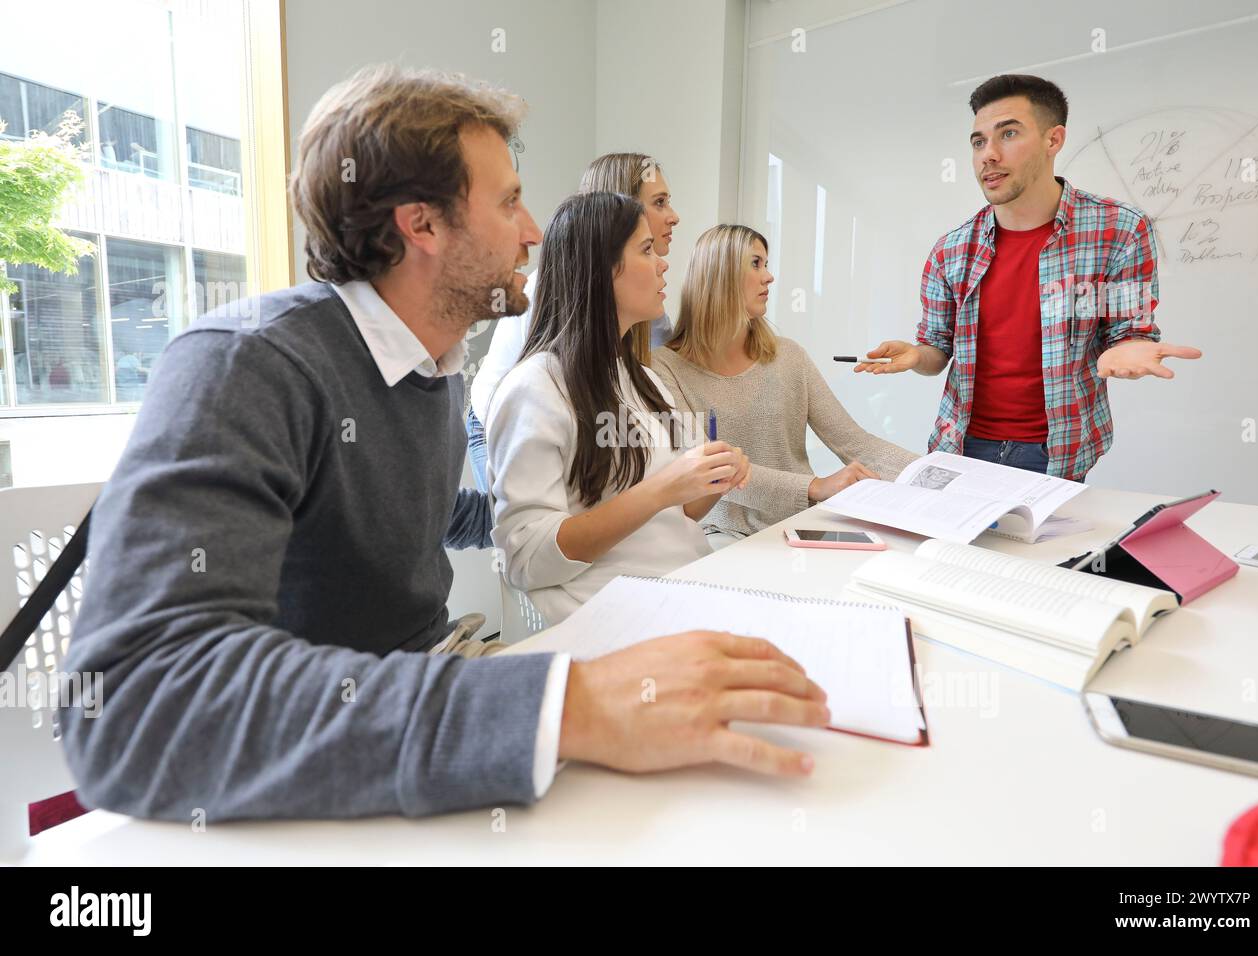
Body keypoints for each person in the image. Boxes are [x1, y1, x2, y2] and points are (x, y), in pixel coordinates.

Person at [58, 66, 829, 824]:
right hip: (315, 780)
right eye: (511, 203)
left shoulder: (436, 367)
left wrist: (549, 510)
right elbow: (132, 704)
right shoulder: (246, 365)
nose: (534, 232)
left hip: (430, 687)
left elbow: (413, 514)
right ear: (422, 224)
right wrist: (568, 706)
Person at [857, 73, 1201, 479]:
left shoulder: (1120, 230)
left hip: (1057, 453)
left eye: (1008, 134)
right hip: (958, 447)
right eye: (979, 141)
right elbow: (937, 350)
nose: (989, 154)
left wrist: (1126, 347)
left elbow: (1128, 332)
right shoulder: (951, 250)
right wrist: (918, 356)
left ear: (1053, 140)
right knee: (942, 546)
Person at [487, 191, 751, 625]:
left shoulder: (644, 380)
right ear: (601, 270)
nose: (664, 263)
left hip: (688, 592)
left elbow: (684, 513)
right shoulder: (534, 389)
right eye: (646, 250)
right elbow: (527, 559)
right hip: (615, 619)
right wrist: (662, 489)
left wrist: (713, 479)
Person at [652, 225, 917, 547]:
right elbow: (711, 470)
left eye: (766, 264)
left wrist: (931, 472)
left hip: (802, 525)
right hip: (721, 535)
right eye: (755, 264)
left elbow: (855, 443)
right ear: (720, 273)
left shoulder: (788, 356)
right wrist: (814, 486)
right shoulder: (665, 367)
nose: (769, 277)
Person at [465, 152, 680, 492]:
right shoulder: (553, 293)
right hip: (495, 420)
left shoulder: (641, 297)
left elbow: (672, 353)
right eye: (660, 202)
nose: (673, 216)